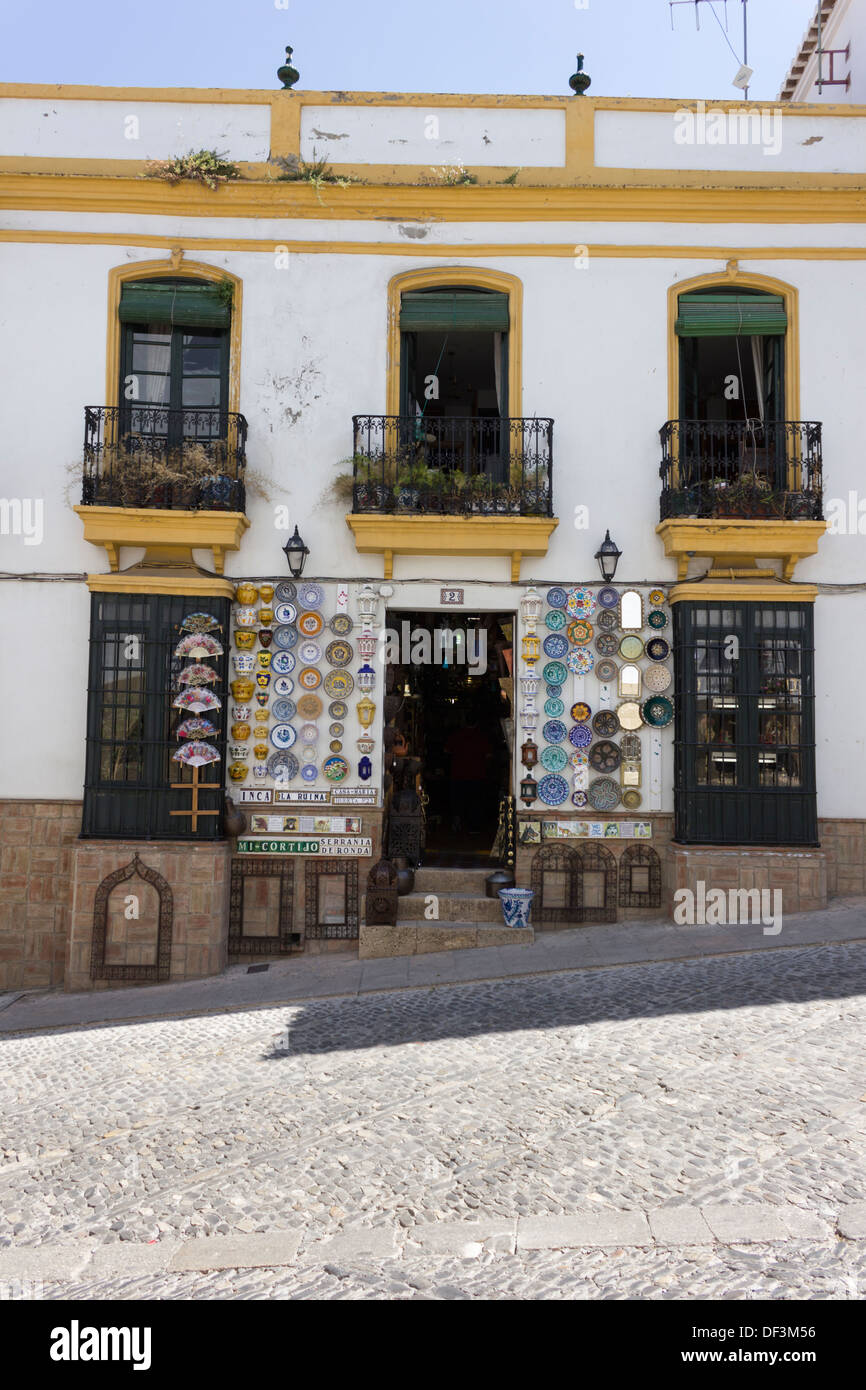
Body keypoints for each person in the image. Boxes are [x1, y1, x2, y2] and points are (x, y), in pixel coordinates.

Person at [444, 711, 493, 834]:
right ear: (477, 723)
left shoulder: (456, 735)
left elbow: (446, 751)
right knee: (475, 802)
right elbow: (489, 756)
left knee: (457, 801)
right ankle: (474, 828)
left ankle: (457, 825)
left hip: (458, 774)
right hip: (478, 775)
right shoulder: (482, 737)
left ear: (464, 721)